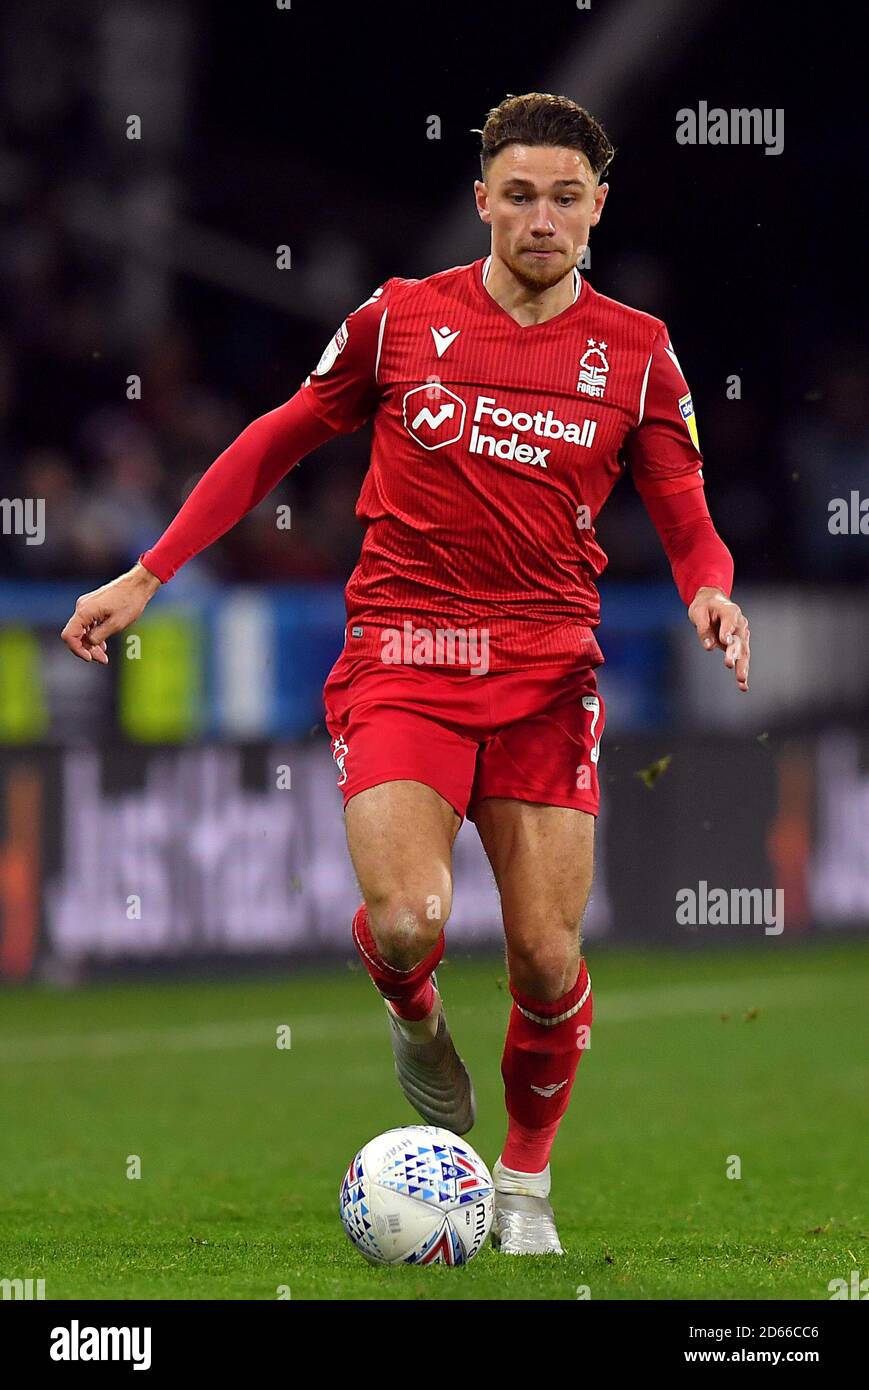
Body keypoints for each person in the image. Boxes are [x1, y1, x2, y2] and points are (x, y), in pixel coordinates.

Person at [61, 92, 750, 1256]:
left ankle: (521, 1186)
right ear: (482, 199)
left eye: (564, 198)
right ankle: (415, 1016)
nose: (541, 218)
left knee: (546, 957)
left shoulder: (637, 353)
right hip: (404, 653)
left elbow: (685, 512)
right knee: (403, 920)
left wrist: (709, 590)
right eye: (518, 195)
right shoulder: (396, 320)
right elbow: (274, 440)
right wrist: (147, 572)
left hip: (546, 672)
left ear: (597, 207)